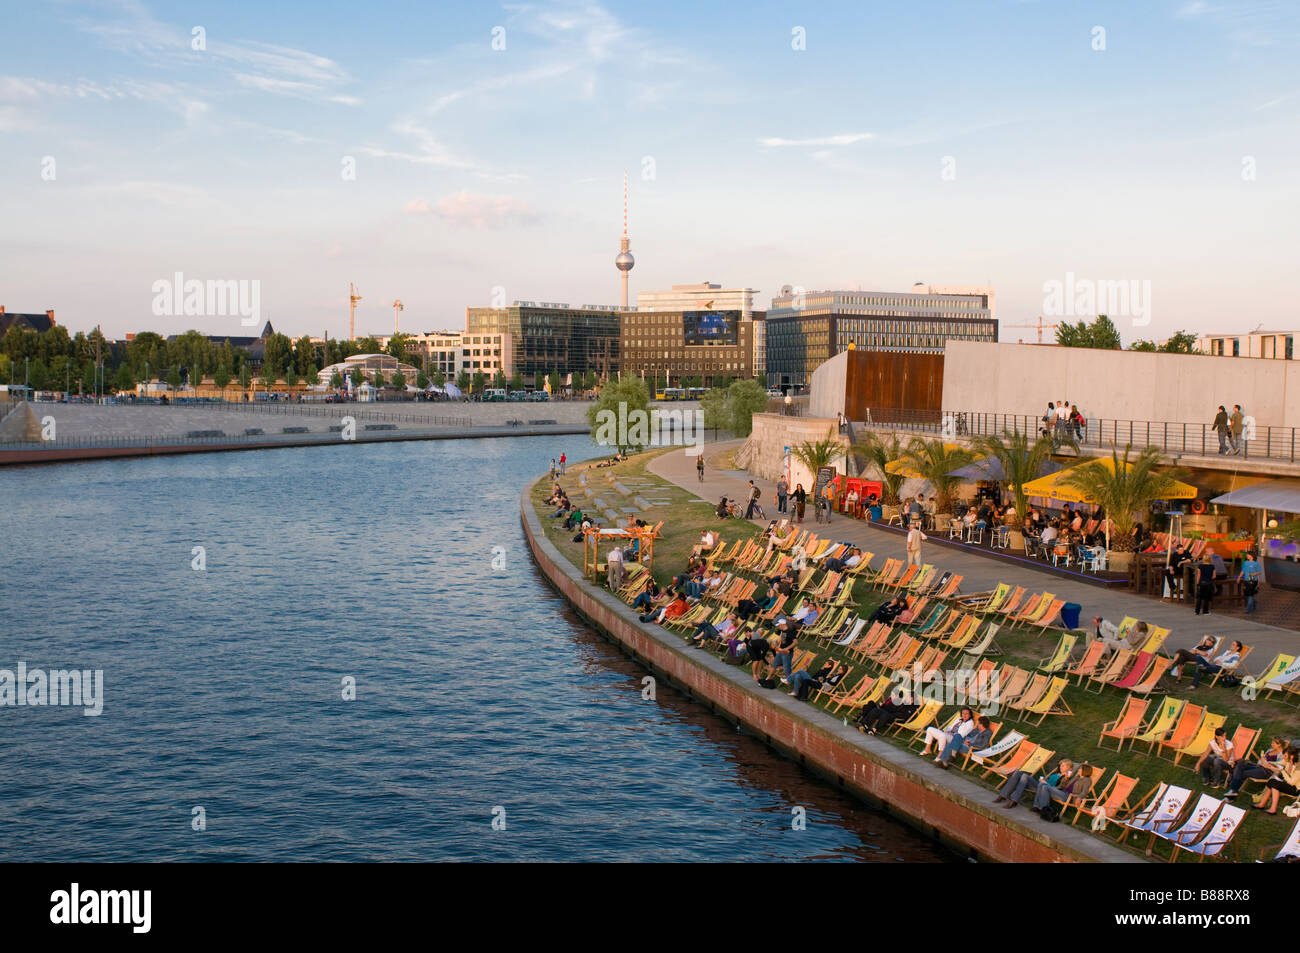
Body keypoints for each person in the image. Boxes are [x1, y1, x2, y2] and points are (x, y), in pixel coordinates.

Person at [995, 758, 1072, 810]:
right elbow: (1047, 781)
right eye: (1061, 765)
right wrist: (1042, 780)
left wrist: (1067, 777)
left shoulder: (1066, 778)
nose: (1061, 767)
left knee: (1025, 776)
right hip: (1040, 785)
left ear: (1069, 768)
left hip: (1045, 789)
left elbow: (1058, 788)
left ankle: (1014, 800)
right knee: (1018, 773)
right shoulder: (1056, 774)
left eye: (1063, 766)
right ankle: (1003, 795)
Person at [1259, 747, 1300, 815]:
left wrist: (1282, 771)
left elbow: (1292, 782)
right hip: (1288, 784)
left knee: (1275, 784)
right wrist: (1268, 763)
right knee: (1271, 781)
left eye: (1285, 756)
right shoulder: (1287, 761)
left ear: (1292, 756)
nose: (1283, 757)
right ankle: (1261, 804)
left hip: (1296, 789)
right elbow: (1277, 763)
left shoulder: (1298, 767)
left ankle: (1273, 809)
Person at [1194, 550, 1216, 614]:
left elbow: (1199, 575)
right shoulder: (1212, 566)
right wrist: (1209, 578)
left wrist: (1197, 582)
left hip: (1202, 582)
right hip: (1209, 583)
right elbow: (1214, 576)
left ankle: (1197, 611)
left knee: (1199, 598)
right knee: (1206, 598)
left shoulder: (1200, 566)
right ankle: (1205, 611)